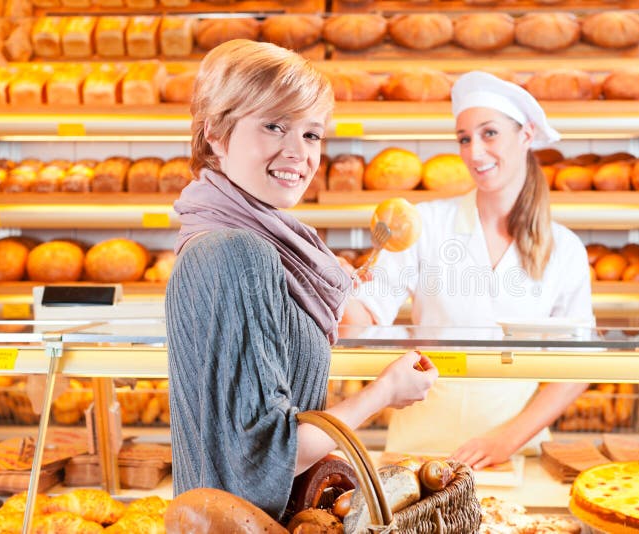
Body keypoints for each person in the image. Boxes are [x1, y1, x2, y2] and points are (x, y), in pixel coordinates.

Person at [165, 39, 438, 521]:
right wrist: (381, 395)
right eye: (274, 125)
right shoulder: (238, 253)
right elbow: (265, 457)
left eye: (312, 134)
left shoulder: (243, 244)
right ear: (216, 134)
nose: (299, 153)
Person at [343, 71, 594, 470]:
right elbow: (361, 321)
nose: (474, 152)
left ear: (526, 134)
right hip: (419, 449)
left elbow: (579, 366)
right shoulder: (425, 223)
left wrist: (505, 441)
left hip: (512, 455)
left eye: (489, 133)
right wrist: (339, 289)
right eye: (464, 138)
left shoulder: (563, 248)